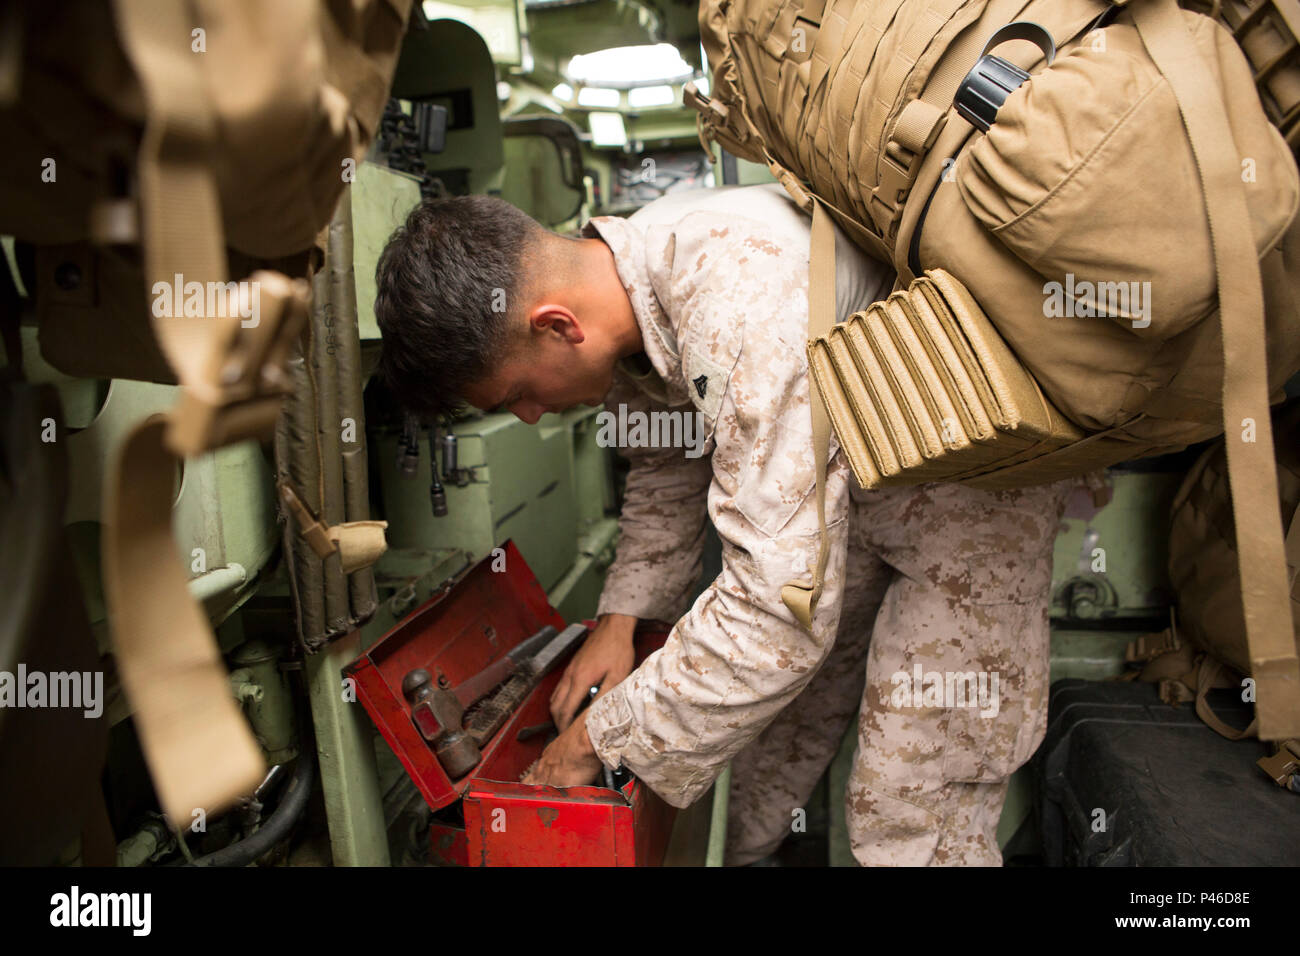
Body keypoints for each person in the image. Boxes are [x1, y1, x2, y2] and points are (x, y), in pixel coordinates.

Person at [373, 184, 1075, 865]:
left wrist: (592, 742)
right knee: (760, 766)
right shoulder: (622, 282)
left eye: (519, 394)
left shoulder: (738, 294)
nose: (528, 416)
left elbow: (778, 612)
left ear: (558, 326)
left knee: (909, 810)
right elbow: (665, 463)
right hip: (843, 487)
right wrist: (621, 619)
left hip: (968, 504)